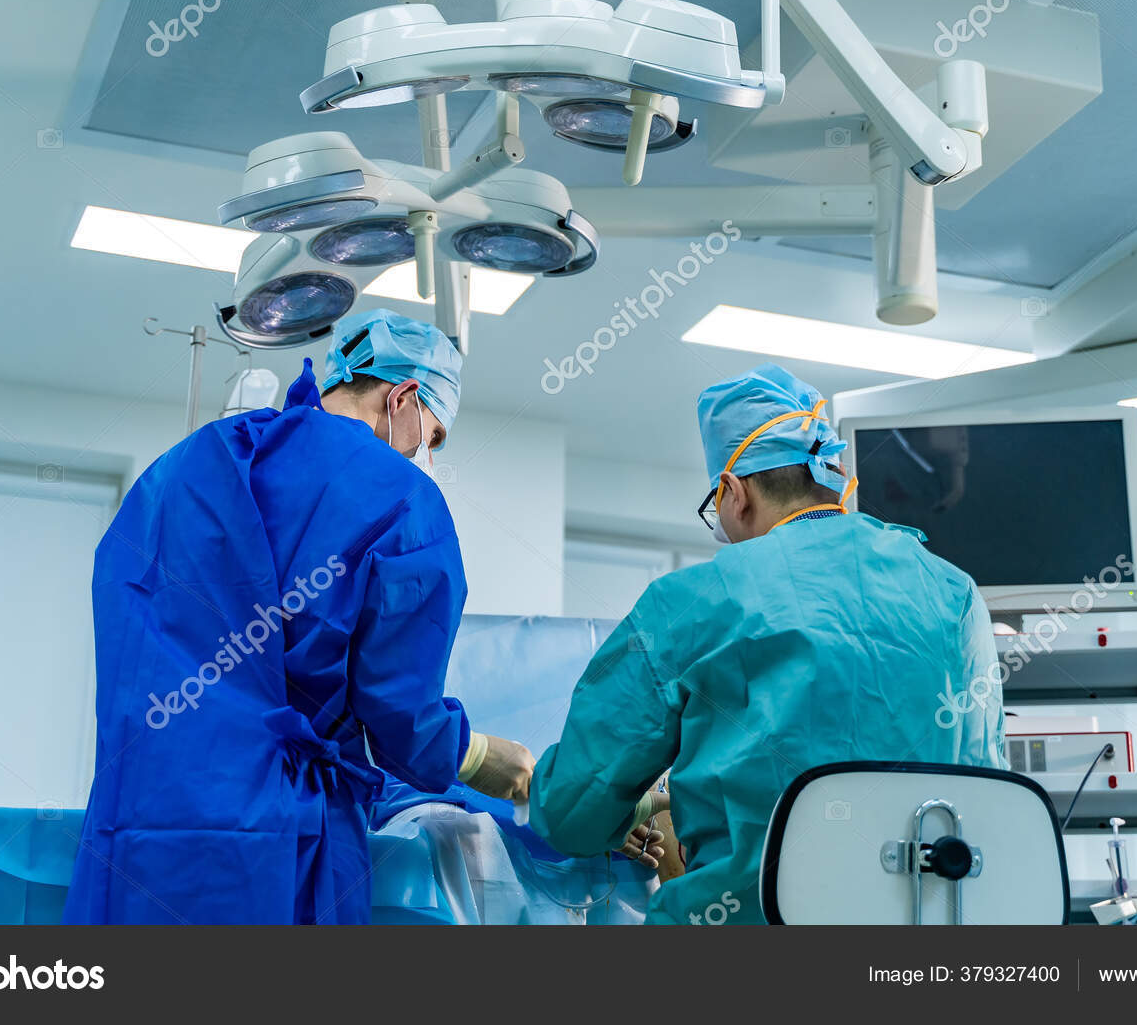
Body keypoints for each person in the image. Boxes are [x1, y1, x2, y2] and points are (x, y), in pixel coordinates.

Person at [65, 308, 533, 925]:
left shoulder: (181, 468)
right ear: (405, 397)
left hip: (142, 819)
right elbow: (400, 722)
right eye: (431, 434)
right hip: (280, 840)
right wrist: (486, 761)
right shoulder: (401, 498)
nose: (424, 452)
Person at [528, 363, 1004, 924]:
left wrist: (635, 808)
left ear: (733, 492)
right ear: (836, 480)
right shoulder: (955, 593)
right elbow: (984, 790)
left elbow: (571, 813)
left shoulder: (693, 599)